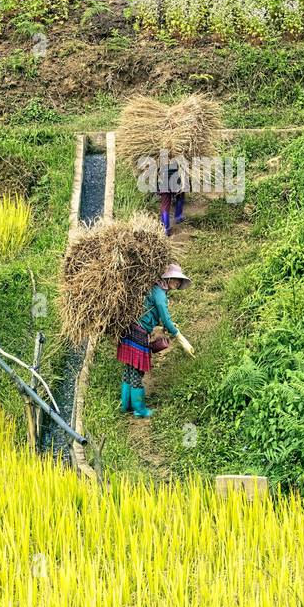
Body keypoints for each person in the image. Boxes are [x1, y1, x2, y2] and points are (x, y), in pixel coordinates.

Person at [117, 264, 195, 418]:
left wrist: (161, 324)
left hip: (130, 329)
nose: (177, 283)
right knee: (137, 372)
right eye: (176, 279)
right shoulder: (160, 293)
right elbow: (165, 318)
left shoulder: (154, 287)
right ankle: (139, 410)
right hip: (138, 334)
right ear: (168, 277)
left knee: (129, 369)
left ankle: (126, 406)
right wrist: (180, 337)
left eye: (180, 281)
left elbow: (151, 312)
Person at [157, 155, 187, 236]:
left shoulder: (159, 158)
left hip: (164, 184)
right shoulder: (179, 156)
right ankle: (178, 217)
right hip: (176, 182)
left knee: (165, 204)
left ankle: (165, 228)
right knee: (180, 197)